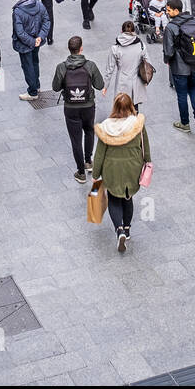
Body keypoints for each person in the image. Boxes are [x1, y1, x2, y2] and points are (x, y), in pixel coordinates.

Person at [92, 93, 151, 253]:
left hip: (112, 169)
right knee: (127, 197)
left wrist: (95, 175)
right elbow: (145, 144)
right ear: (131, 105)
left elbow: (99, 154)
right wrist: (147, 161)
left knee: (114, 200)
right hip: (133, 167)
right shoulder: (137, 124)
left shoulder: (106, 127)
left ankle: (119, 230)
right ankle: (127, 228)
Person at [53, 34, 106, 182]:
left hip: (71, 108)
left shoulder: (61, 67)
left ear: (69, 49)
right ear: (81, 48)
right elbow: (100, 85)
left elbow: (55, 88)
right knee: (89, 131)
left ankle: (81, 173)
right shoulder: (90, 66)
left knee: (75, 139)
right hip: (88, 106)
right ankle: (88, 161)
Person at [162, 0, 195, 134]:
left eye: (169, 10)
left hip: (179, 66)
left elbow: (168, 50)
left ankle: (185, 123)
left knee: (181, 94)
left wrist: (167, 60)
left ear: (176, 10)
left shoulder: (170, 27)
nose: (167, 12)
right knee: (194, 89)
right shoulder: (194, 20)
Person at [12, 0, 50, 101]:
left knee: (27, 66)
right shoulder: (39, 4)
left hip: (25, 45)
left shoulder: (18, 11)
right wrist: (40, 37)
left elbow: (20, 32)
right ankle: (36, 86)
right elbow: (46, 21)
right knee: (34, 62)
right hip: (37, 41)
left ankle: (32, 92)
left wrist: (32, 41)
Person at [105, 20, 149, 113]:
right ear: (133, 32)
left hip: (122, 82)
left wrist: (105, 86)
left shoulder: (115, 48)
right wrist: (146, 80)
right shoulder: (141, 45)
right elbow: (148, 63)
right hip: (136, 81)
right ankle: (135, 125)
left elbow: (110, 69)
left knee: (121, 108)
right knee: (135, 108)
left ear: (121, 31)